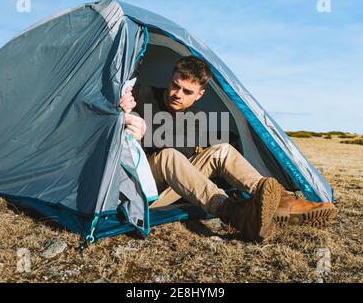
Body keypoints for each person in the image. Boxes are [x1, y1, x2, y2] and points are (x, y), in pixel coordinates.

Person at [119, 56, 337, 243]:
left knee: (222, 150)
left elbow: (181, 151)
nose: (177, 94)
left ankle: (284, 202)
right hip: (138, 185)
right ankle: (233, 212)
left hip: (172, 186)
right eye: (175, 85)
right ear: (171, 78)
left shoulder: (196, 119)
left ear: (199, 95)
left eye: (187, 91)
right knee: (168, 156)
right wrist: (121, 103)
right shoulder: (141, 93)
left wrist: (146, 133)